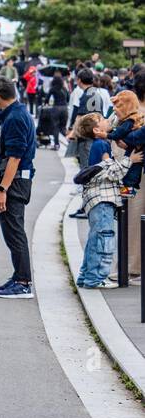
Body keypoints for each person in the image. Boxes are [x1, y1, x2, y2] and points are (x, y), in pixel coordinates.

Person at [71, 113, 141, 289]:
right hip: (103, 199)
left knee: (95, 238)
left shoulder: (100, 143)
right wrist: (130, 160)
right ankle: (96, 278)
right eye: (102, 119)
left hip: (96, 199)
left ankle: (86, 276)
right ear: (97, 129)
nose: (107, 120)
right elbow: (111, 172)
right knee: (103, 238)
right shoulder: (101, 144)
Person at [0, 78, 38, 299]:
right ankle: (19, 276)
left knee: (14, 231)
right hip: (16, 179)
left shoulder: (16, 117)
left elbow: (15, 157)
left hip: (14, 181)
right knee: (12, 231)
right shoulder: (15, 112)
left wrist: (2, 189)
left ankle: (23, 281)